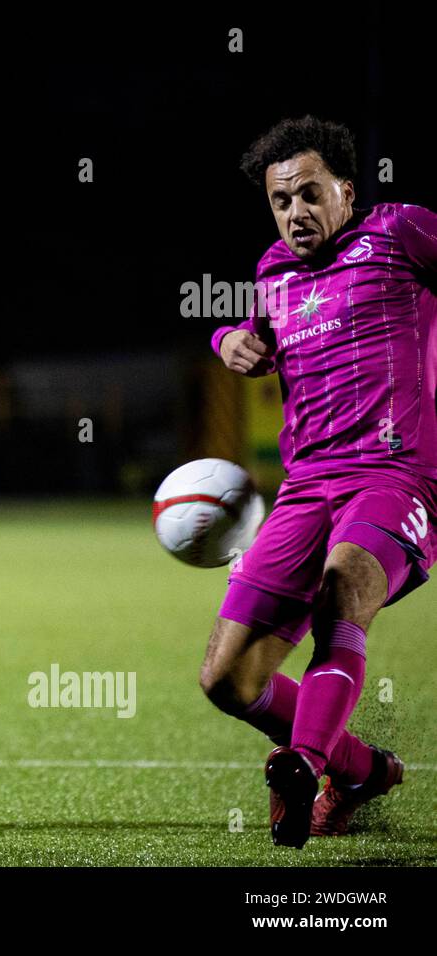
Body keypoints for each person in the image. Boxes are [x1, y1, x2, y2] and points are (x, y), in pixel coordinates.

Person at [203, 115, 436, 848]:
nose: (296, 213)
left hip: (397, 477)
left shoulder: (401, 233)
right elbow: (256, 335)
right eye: (282, 201)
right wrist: (228, 339)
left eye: (310, 194)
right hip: (306, 487)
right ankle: (362, 769)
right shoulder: (273, 270)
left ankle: (302, 764)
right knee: (228, 679)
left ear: (345, 189)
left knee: (344, 585)